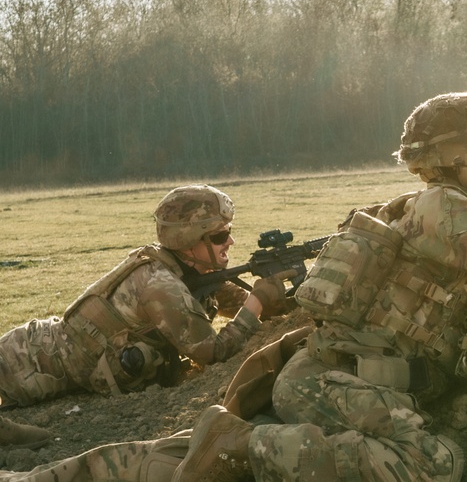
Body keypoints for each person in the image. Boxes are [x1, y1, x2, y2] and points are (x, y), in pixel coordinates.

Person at [0, 91, 467, 482]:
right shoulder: (439, 207)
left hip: (342, 380)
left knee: (184, 463)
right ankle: (241, 447)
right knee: (429, 465)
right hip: (336, 378)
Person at [0, 184, 293, 449]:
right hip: (28, 360)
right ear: (190, 240)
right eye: (220, 236)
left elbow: (238, 303)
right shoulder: (161, 285)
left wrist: (271, 301)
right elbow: (213, 351)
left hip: (40, 352)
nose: (229, 242)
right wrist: (257, 301)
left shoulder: (186, 271)